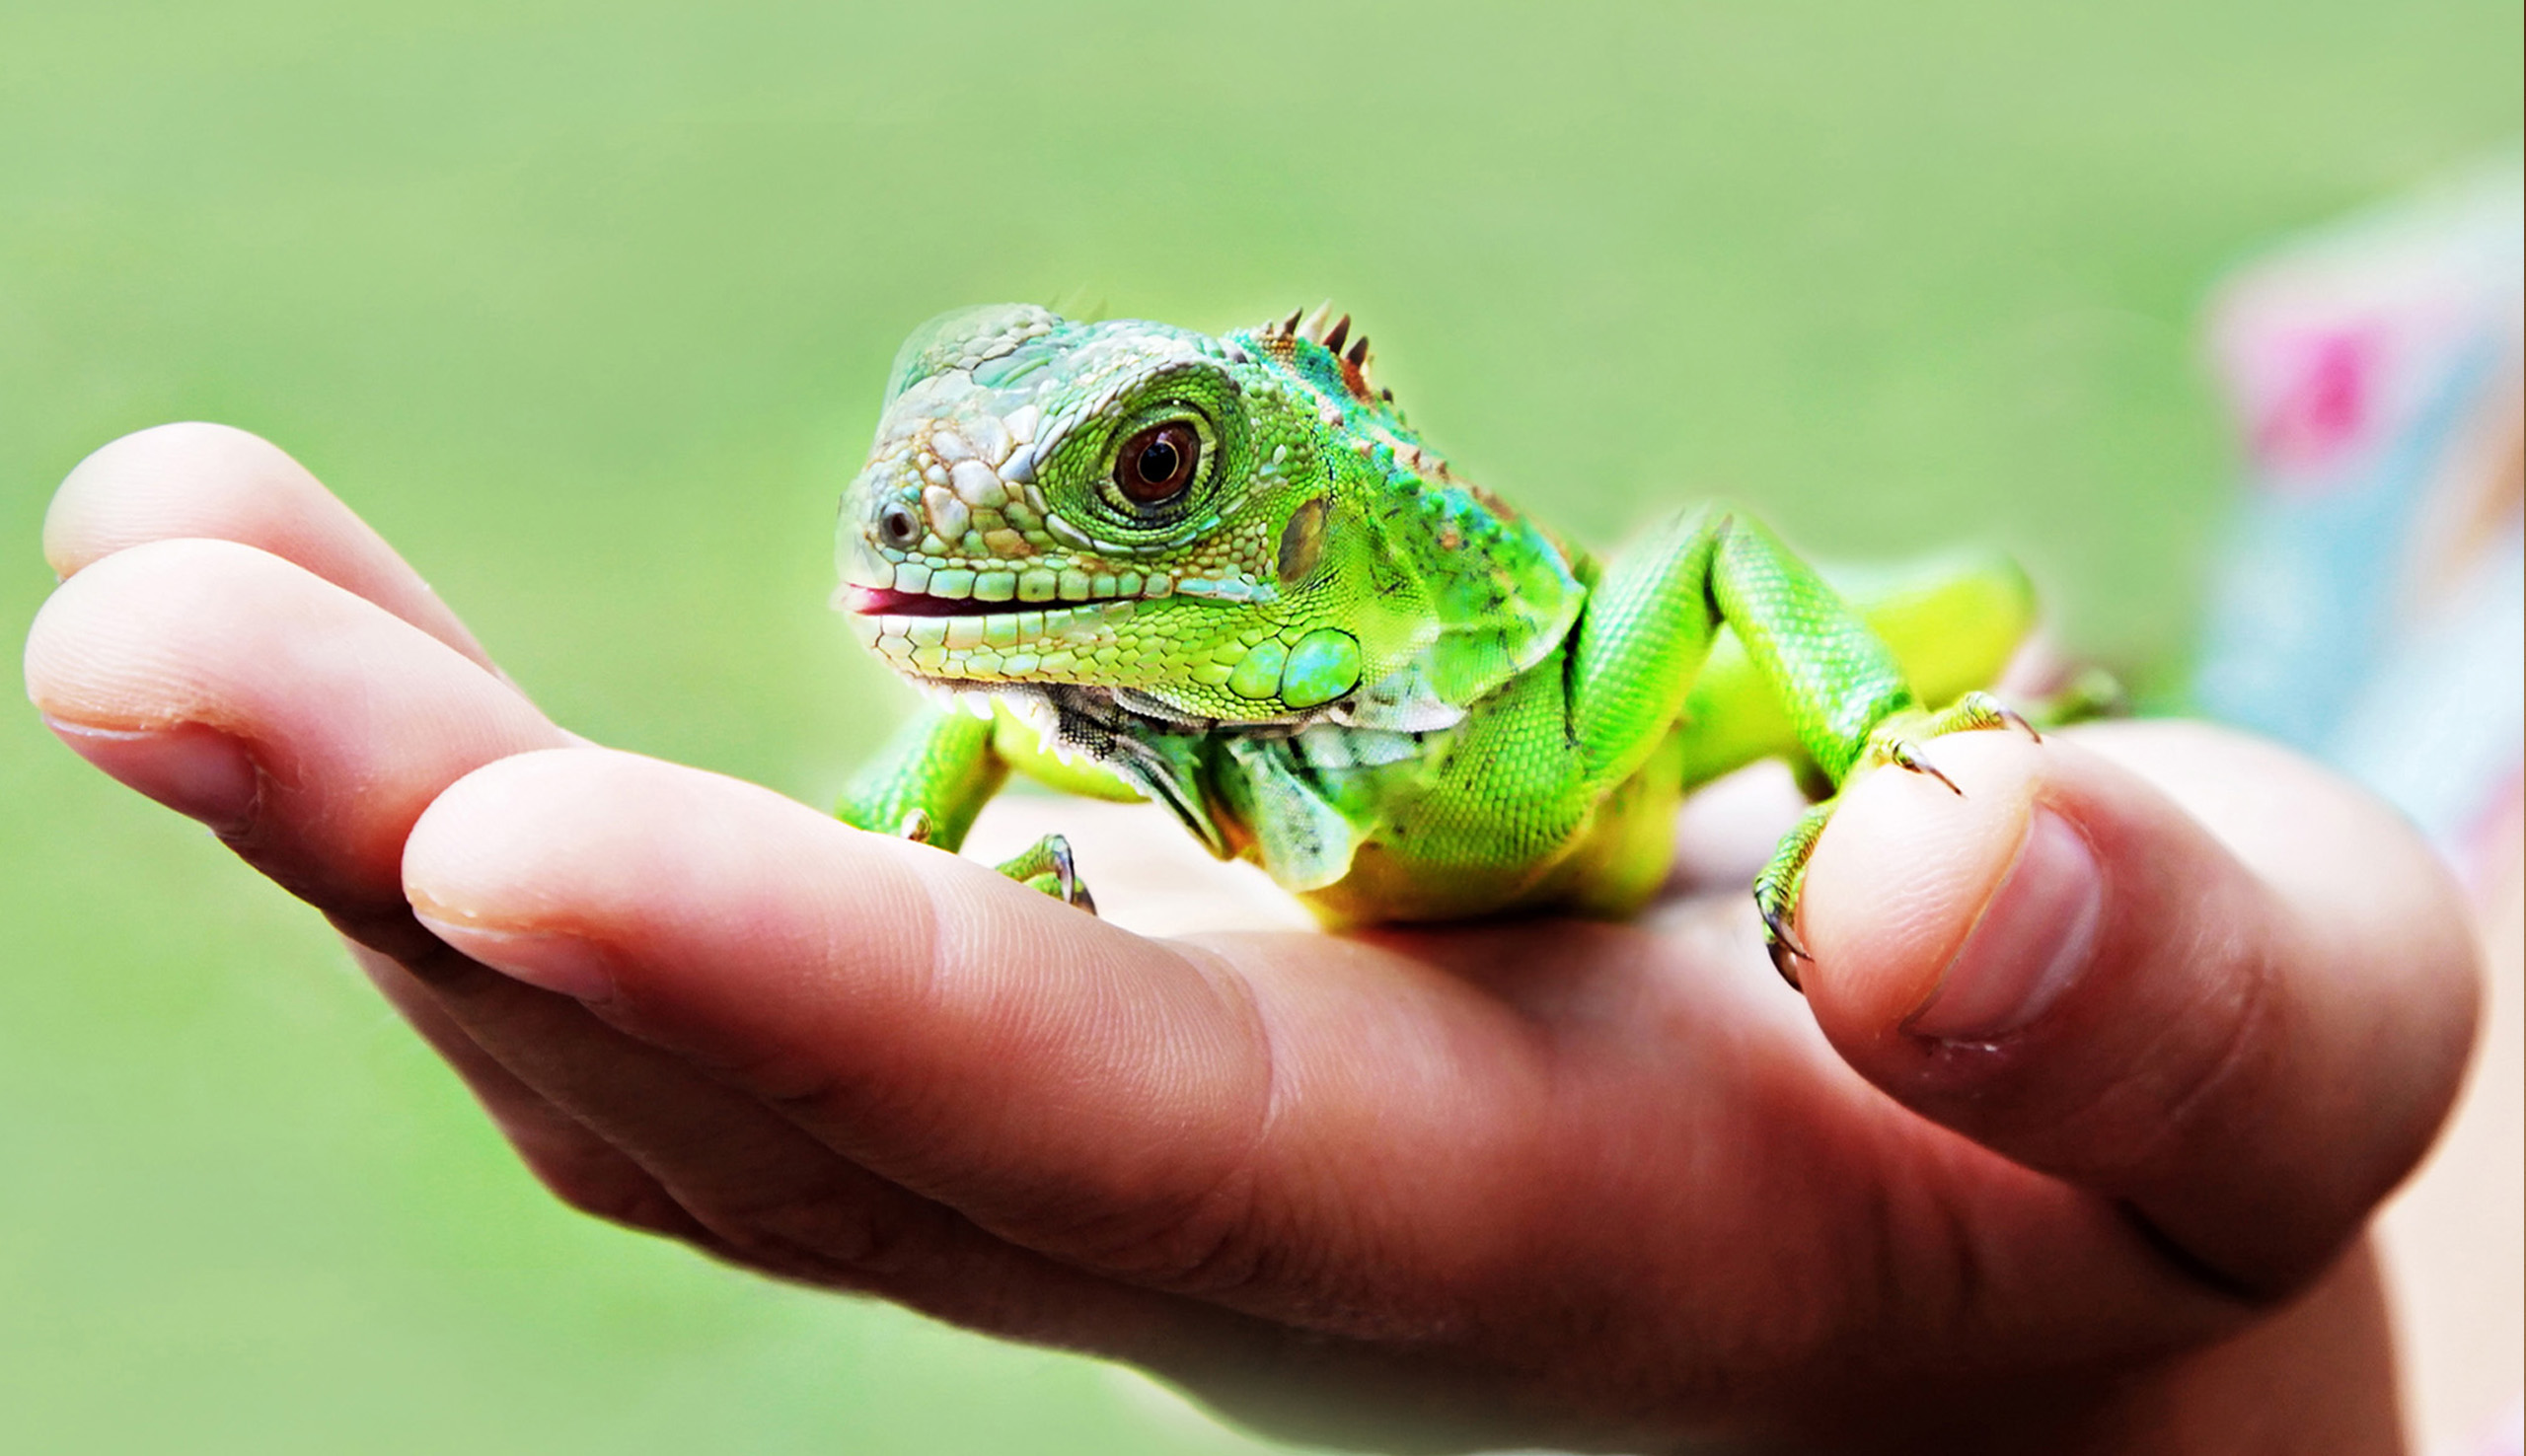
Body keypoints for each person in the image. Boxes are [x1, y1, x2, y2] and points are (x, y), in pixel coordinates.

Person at [25, 422, 2484, 1454]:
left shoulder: (1533, 741)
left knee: (1941, 636)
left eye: (1154, 483)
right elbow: (974, 749)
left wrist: (1864, 749)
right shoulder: (1092, 731)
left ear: (1278, 530)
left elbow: (1718, 571)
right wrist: (914, 845)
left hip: (1599, 775)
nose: (972, 549)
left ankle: (2015, 674)